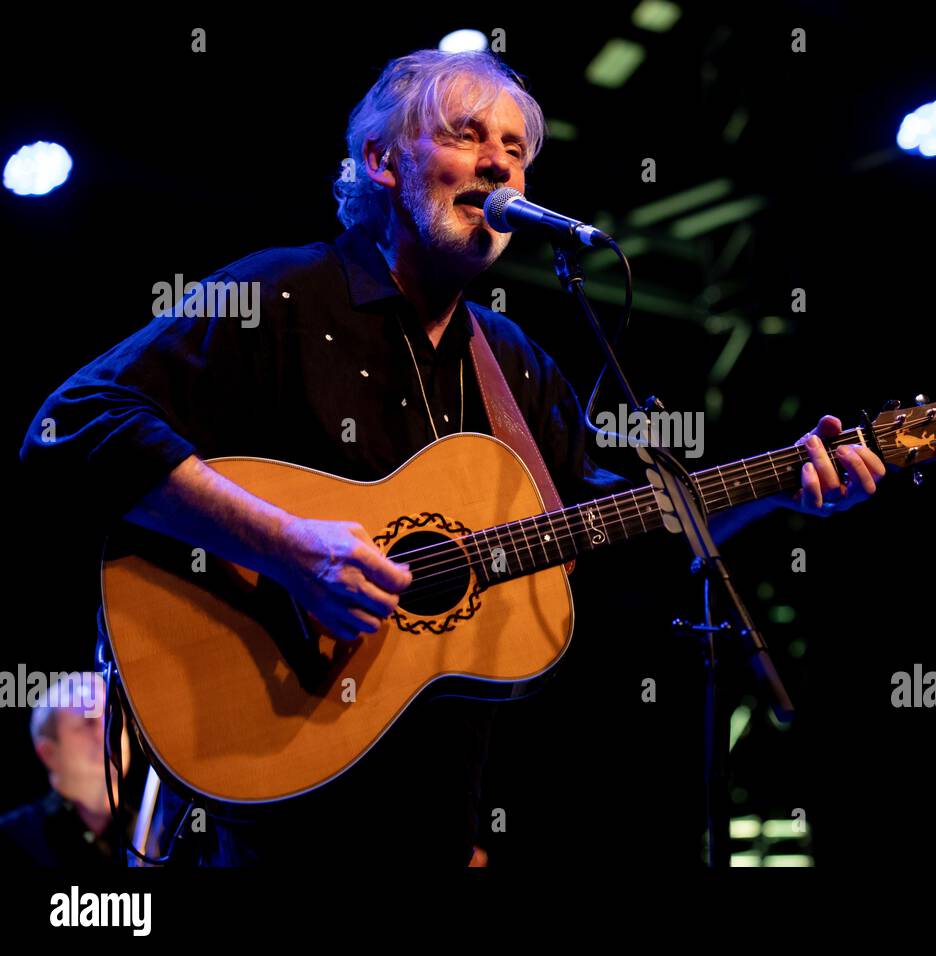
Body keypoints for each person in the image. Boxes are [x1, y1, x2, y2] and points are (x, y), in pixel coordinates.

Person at [18, 49, 885, 866]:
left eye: (516, 149)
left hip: (436, 822)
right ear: (383, 161)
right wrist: (285, 545)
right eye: (469, 135)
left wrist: (782, 490)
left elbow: (633, 527)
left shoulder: (511, 361)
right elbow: (73, 424)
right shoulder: (280, 293)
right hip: (265, 805)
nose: (501, 165)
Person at [0, 673, 132, 866]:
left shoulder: (162, 835)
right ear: (49, 753)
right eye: (88, 723)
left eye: (113, 717)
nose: (108, 730)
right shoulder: (11, 840)